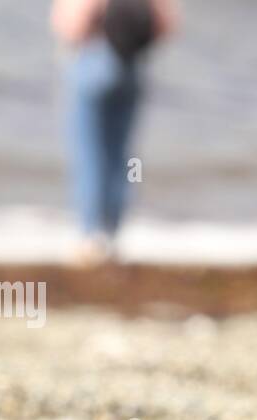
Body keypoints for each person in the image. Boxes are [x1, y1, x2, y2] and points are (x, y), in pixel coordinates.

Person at [51, 0, 179, 264]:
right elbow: (167, 25)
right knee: (121, 154)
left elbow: (71, 25)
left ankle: (90, 235)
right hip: (131, 66)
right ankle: (112, 233)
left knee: (90, 151)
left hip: (92, 58)